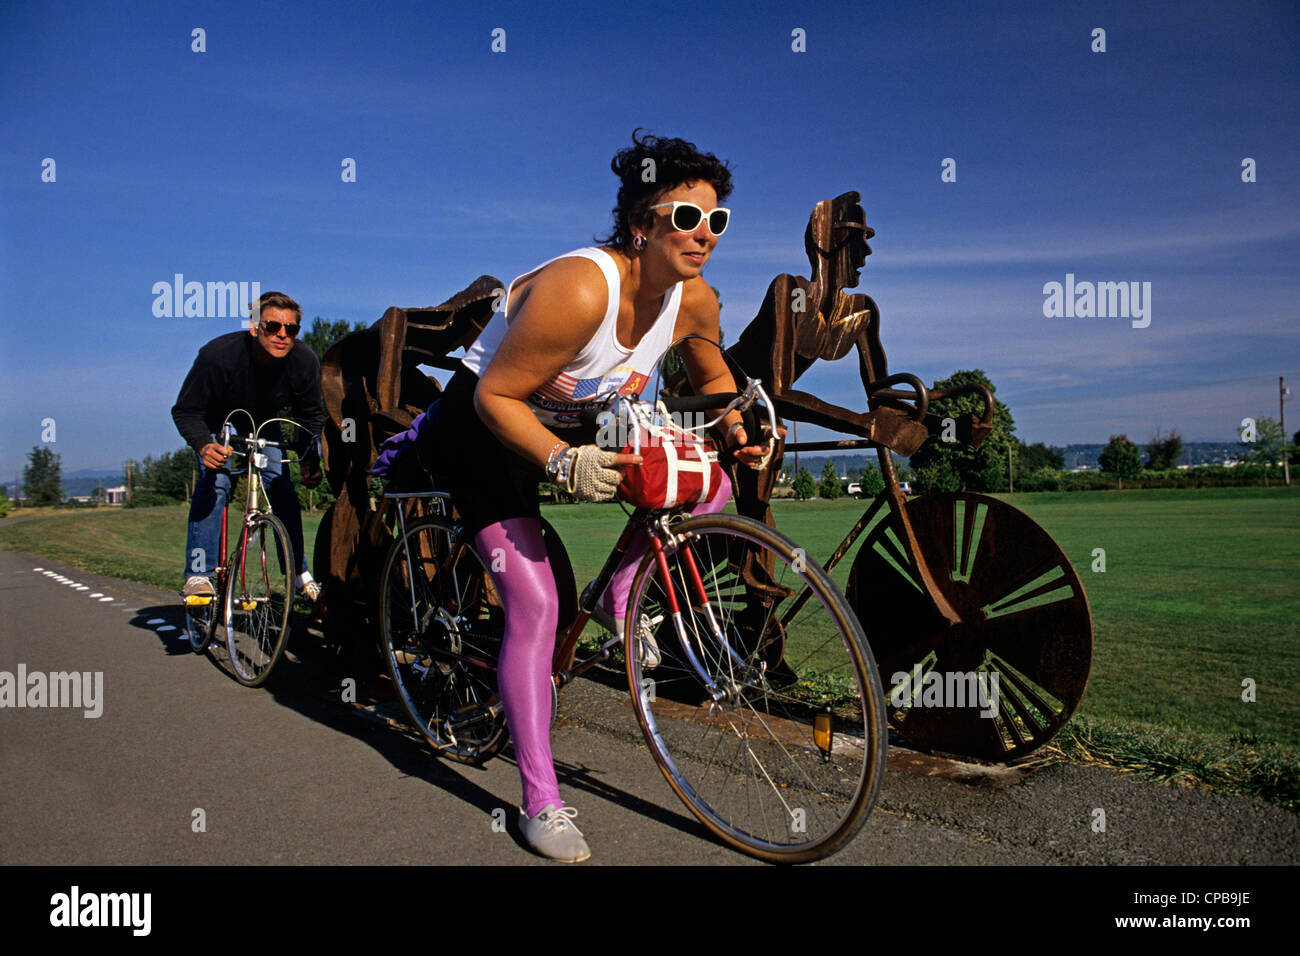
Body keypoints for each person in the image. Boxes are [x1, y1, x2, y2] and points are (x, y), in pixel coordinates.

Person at [422, 131, 773, 862]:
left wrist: (736, 430)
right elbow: (496, 396)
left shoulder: (692, 301)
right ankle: (540, 802)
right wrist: (560, 462)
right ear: (641, 225)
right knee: (539, 605)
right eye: (686, 217)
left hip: (577, 422)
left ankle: (620, 596)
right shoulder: (581, 289)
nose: (704, 234)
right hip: (486, 425)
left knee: (705, 485)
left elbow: (712, 377)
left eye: (717, 221)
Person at [172, 291, 324, 602]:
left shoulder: (304, 361)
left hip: (262, 419)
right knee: (217, 480)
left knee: (281, 486)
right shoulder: (218, 356)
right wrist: (203, 445)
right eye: (272, 327)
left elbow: (309, 416)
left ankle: (298, 574)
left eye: (290, 329)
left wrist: (310, 457)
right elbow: (186, 410)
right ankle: (199, 574)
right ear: (255, 328)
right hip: (217, 420)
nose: (282, 335)